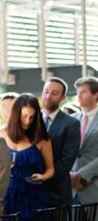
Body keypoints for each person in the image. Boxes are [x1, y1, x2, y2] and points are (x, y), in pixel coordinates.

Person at [3, 93, 54, 221]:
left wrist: (42, 177)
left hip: (32, 196)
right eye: (24, 116)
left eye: (32, 117)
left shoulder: (42, 139)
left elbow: (51, 169)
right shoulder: (1, 134)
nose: (27, 121)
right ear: (15, 114)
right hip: (8, 196)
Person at [39, 77, 80, 209]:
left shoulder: (71, 124)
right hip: (30, 192)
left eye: (54, 93)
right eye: (46, 91)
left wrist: (43, 178)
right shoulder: (31, 119)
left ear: (63, 97)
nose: (48, 96)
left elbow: (66, 161)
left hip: (56, 193)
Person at [71, 76, 98, 221]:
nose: (79, 96)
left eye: (83, 92)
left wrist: (82, 175)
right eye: (77, 92)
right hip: (71, 189)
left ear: (96, 94)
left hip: (94, 186)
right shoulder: (72, 119)